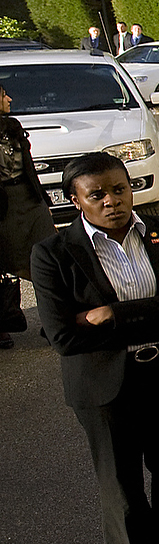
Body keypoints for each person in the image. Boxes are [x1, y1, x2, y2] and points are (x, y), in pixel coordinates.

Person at [31, 152, 159, 544]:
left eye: (119, 189)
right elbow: (64, 336)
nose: (112, 201)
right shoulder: (52, 254)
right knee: (121, 481)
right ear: (76, 201)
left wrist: (114, 314)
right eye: (97, 195)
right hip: (105, 385)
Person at [0, 81, 56, 350]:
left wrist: (43, 200)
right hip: (3, 206)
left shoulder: (12, 127)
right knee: (8, 262)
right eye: (3, 95)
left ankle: (54, 322)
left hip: (30, 200)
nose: (9, 99)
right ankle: (3, 322)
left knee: (49, 259)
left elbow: (29, 167)